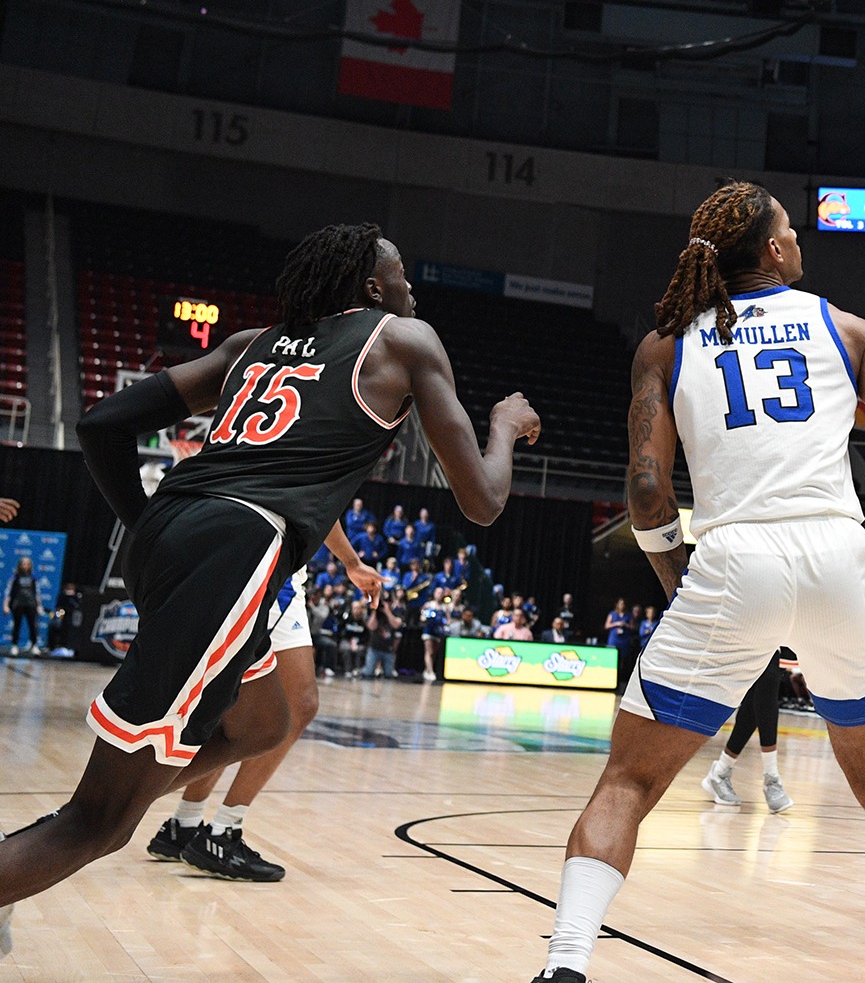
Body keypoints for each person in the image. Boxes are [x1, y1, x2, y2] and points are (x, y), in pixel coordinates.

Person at [0, 224, 537, 941]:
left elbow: (102, 421)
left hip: (177, 530)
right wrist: (502, 424)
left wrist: (156, 525)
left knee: (266, 721)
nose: (413, 288)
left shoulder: (249, 343)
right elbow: (483, 500)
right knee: (96, 825)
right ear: (374, 288)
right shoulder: (405, 341)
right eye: (403, 274)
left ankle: (78, 825)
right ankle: (32, 859)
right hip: (233, 549)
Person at [535, 181, 865, 983]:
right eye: (791, 230)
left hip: (737, 557)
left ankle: (565, 967)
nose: (799, 237)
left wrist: (676, 574)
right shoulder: (846, 328)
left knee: (628, 780)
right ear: (773, 250)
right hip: (839, 559)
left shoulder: (666, 346)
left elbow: (643, 488)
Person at [145, 529, 381, 882]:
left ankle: (184, 822)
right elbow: (315, 493)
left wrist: (351, 562)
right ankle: (220, 832)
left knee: (236, 709)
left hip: (281, 570)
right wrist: (351, 561)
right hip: (269, 565)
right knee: (295, 704)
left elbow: (322, 502)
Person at [698, 651, 793, 814]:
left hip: (785, 630)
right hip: (758, 629)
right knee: (769, 678)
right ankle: (771, 777)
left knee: (758, 693)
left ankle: (721, 770)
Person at [6, 557, 38, 657]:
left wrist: (39, 606)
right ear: (20, 565)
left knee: (32, 625)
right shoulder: (15, 577)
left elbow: (37, 593)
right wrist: (6, 605)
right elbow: (8, 592)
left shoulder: (33, 578)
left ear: (30, 566)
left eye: (27, 564)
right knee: (17, 625)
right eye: (23, 564)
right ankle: (14, 646)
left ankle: (34, 645)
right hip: (18, 604)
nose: (25, 566)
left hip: (31, 604)